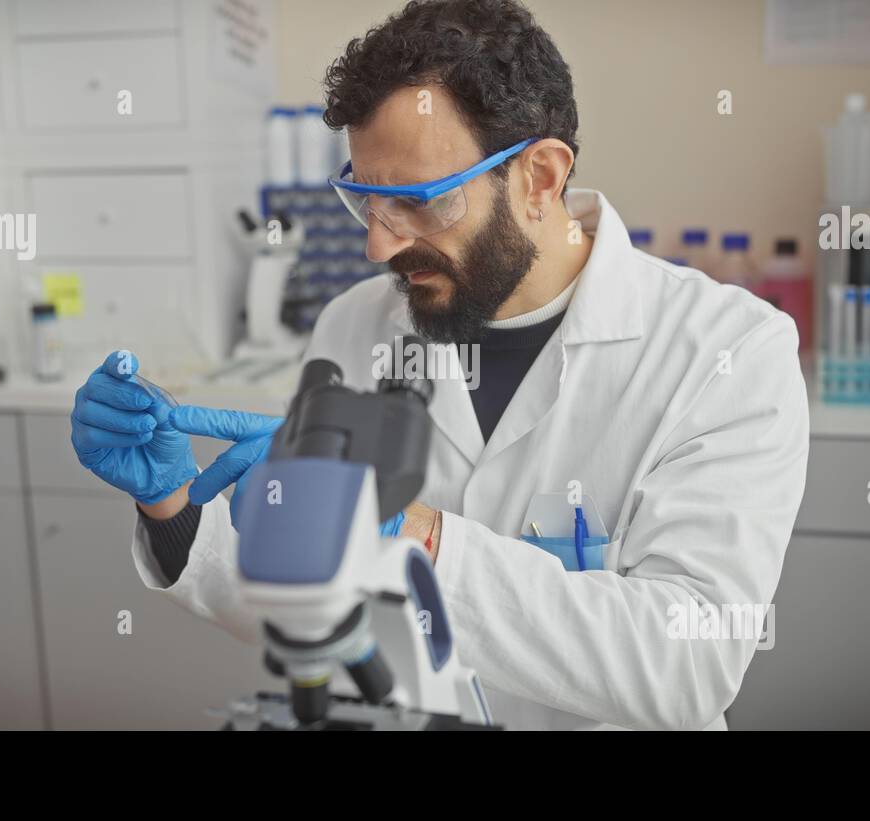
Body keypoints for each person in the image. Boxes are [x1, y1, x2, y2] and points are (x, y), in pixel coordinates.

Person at [70, 0, 809, 730]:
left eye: (418, 203)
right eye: (365, 203)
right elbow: (308, 596)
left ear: (540, 179)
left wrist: (413, 534)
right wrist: (173, 509)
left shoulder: (729, 351)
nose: (380, 248)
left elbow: (691, 662)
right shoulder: (355, 325)